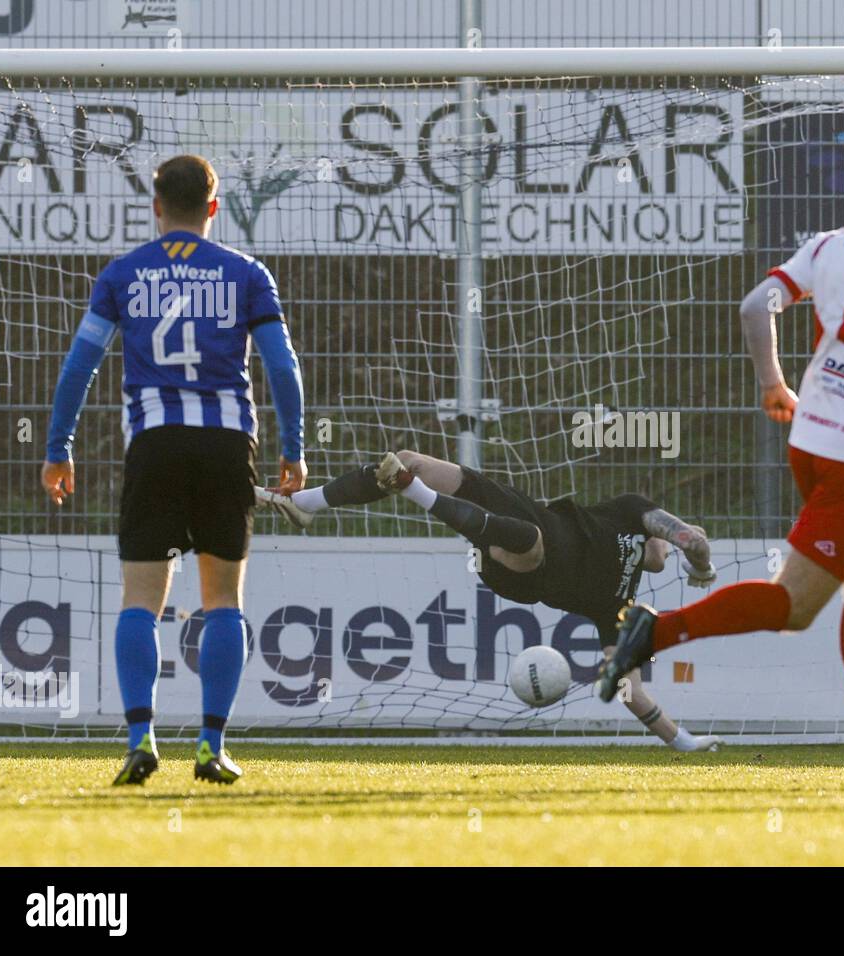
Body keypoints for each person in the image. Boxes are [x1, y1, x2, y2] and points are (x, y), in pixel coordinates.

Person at [597, 135, 844, 789]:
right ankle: (655, 632)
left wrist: (772, 383)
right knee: (796, 605)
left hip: (812, 436)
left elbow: (757, 306)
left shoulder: (836, 243)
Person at [41, 154, 306, 785]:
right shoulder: (246, 273)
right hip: (225, 445)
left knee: (140, 600)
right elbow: (282, 365)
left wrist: (58, 447)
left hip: (155, 443)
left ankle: (140, 738)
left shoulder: (123, 274)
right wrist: (293, 448)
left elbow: (79, 366)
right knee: (222, 601)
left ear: (156, 206)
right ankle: (211, 746)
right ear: (213, 207)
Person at [257, 450, 723, 751]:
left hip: (521, 572)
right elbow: (690, 538)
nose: (667, 549)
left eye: (671, 548)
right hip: (521, 510)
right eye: (665, 540)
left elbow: (630, 690)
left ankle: (416, 493)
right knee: (410, 460)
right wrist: (698, 564)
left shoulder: (618, 609)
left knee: (529, 540)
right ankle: (306, 504)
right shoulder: (630, 511)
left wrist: (682, 740)